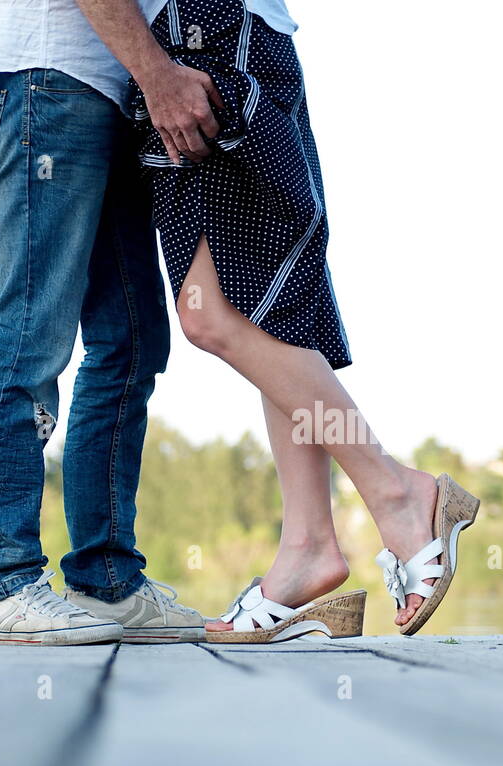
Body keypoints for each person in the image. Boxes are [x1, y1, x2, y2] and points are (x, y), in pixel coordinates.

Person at [78, 0, 480, 644]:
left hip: (208, 36)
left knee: (214, 316)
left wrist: (160, 70)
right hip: (213, 38)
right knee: (268, 314)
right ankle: (309, 545)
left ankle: (396, 490)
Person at [0, 0, 204, 646]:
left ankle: (105, 581)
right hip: (46, 78)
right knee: (29, 332)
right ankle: (0, 583)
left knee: (132, 338)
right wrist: (159, 74)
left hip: (103, 94)